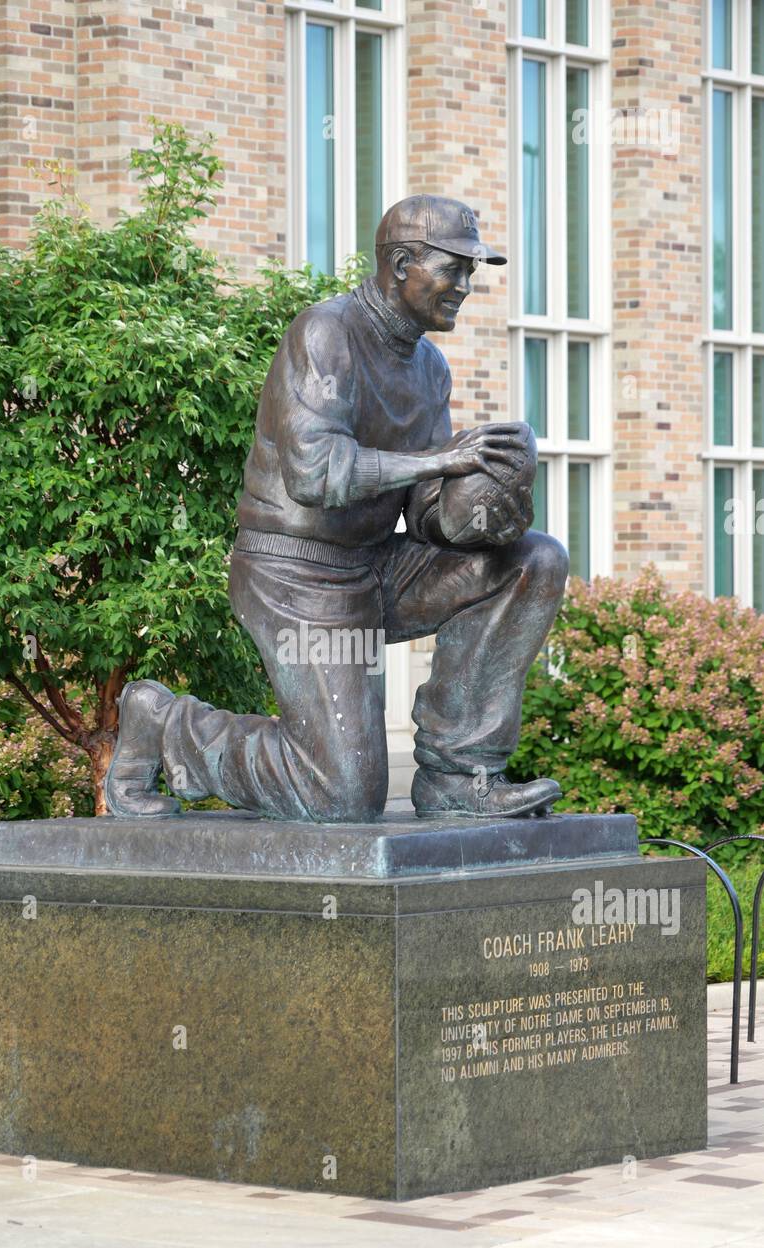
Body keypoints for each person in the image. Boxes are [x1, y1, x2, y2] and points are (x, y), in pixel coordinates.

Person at [105, 195, 569, 824]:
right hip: (294, 574)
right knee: (342, 794)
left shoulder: (430, 367)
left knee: (532, 560)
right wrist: (441, 460)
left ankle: (460, 776)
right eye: (454, 268)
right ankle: (164, 725)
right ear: (402, 262)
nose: (466, 285)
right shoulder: (326, 333)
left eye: (472, 271)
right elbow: (316, 473)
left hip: (376, 565)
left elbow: (428, 516)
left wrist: (492, 501)